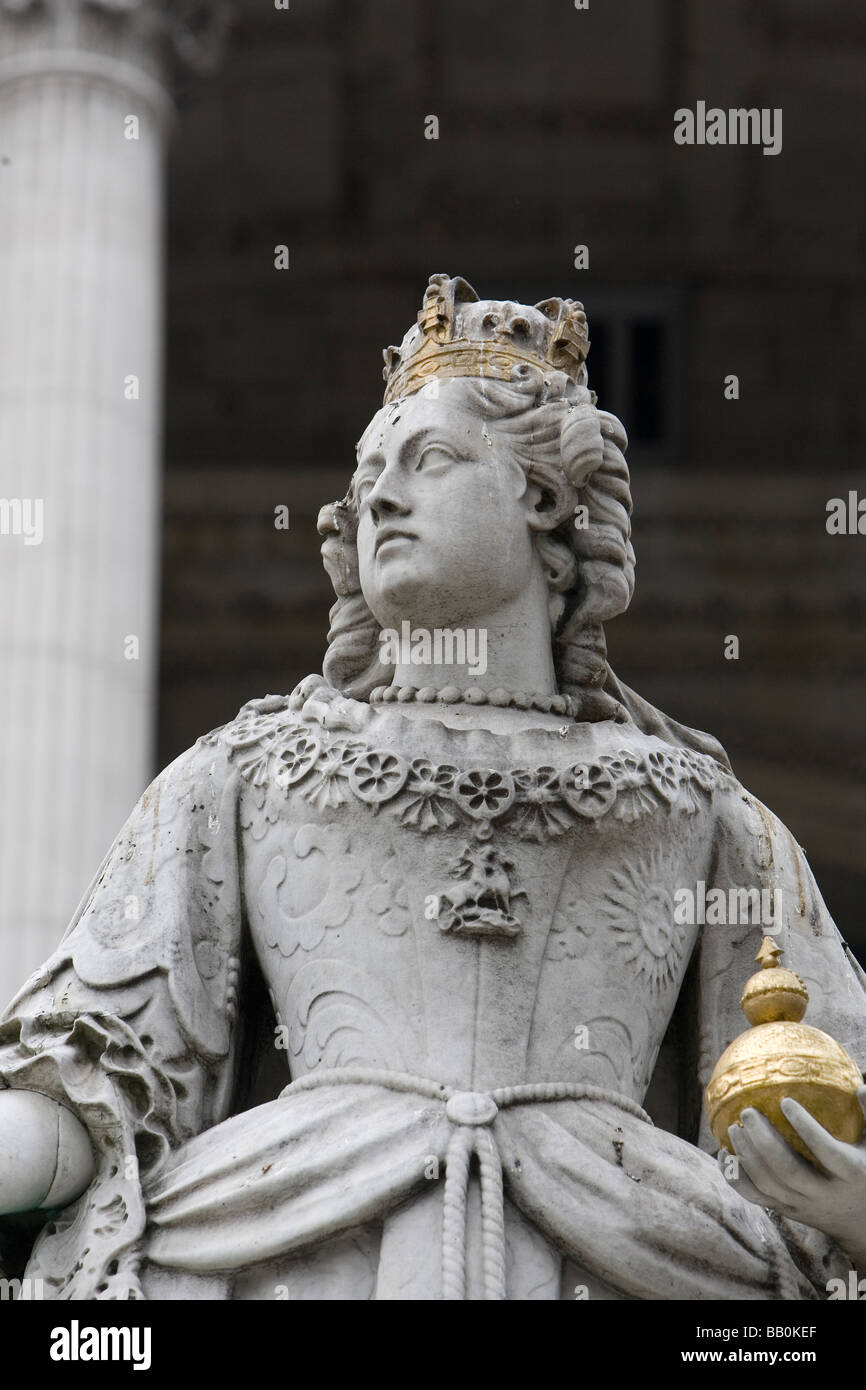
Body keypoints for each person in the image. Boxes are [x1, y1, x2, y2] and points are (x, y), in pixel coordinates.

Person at [1, 274, 864, 1300]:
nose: (380, 495)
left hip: (631, 1252)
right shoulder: (236, 776)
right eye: (369, 471)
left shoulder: (704, 811)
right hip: (290, 1242)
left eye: (430, 458)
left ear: (543, 499)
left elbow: (821, 1088)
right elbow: (100, 1067)